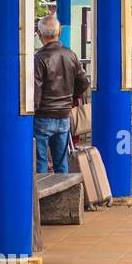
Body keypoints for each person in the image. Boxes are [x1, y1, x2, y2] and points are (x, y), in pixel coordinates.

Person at [33, 14, 89, 173]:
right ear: (58, 33)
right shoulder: (70, 54)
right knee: (61, 161)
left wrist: (33, 111)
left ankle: (43, 196)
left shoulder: (39, 58)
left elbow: (36, 90)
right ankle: (63, 196)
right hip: (64, 115)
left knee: (41, 161)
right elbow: (84, 82)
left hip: (43, 116)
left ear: (39, 34)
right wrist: (70, 98)